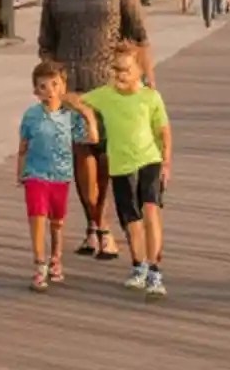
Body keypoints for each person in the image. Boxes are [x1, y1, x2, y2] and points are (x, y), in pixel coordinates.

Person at [38, 0, 154, 261]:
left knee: (106, 159)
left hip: (112, 88)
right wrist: (53, 83)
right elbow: (46, 41)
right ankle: (98, 224)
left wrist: (146, 85)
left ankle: (96, 227)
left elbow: (139, 35)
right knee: (82, 158)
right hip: (72, 90)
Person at [82, 42, 173, 298]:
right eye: (115, 69)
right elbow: (72, 99)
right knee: (131, 219)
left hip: (149, 160)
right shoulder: (105, 95)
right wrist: (89, 118)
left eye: (125, 70)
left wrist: (166, 162)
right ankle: (139, 266)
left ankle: (156, 271)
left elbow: (164, 131)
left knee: (151, 210)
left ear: (139, 71)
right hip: (121, 165)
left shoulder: (150, 97)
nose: (119, 75)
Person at [16, 60, 100, 292]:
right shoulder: (31, 116)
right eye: (43, 86)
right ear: (35, 91)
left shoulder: (69, 117)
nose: (50, 90)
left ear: (63, 87)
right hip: (35, 174)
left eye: (55, 84)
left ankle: (56, 257)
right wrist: (20, 171)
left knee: (57, 222)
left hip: (60, 175)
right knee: (37, 216)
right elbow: (23, 145)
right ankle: (39, 264)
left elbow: (91, 138)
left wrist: (85, 112)